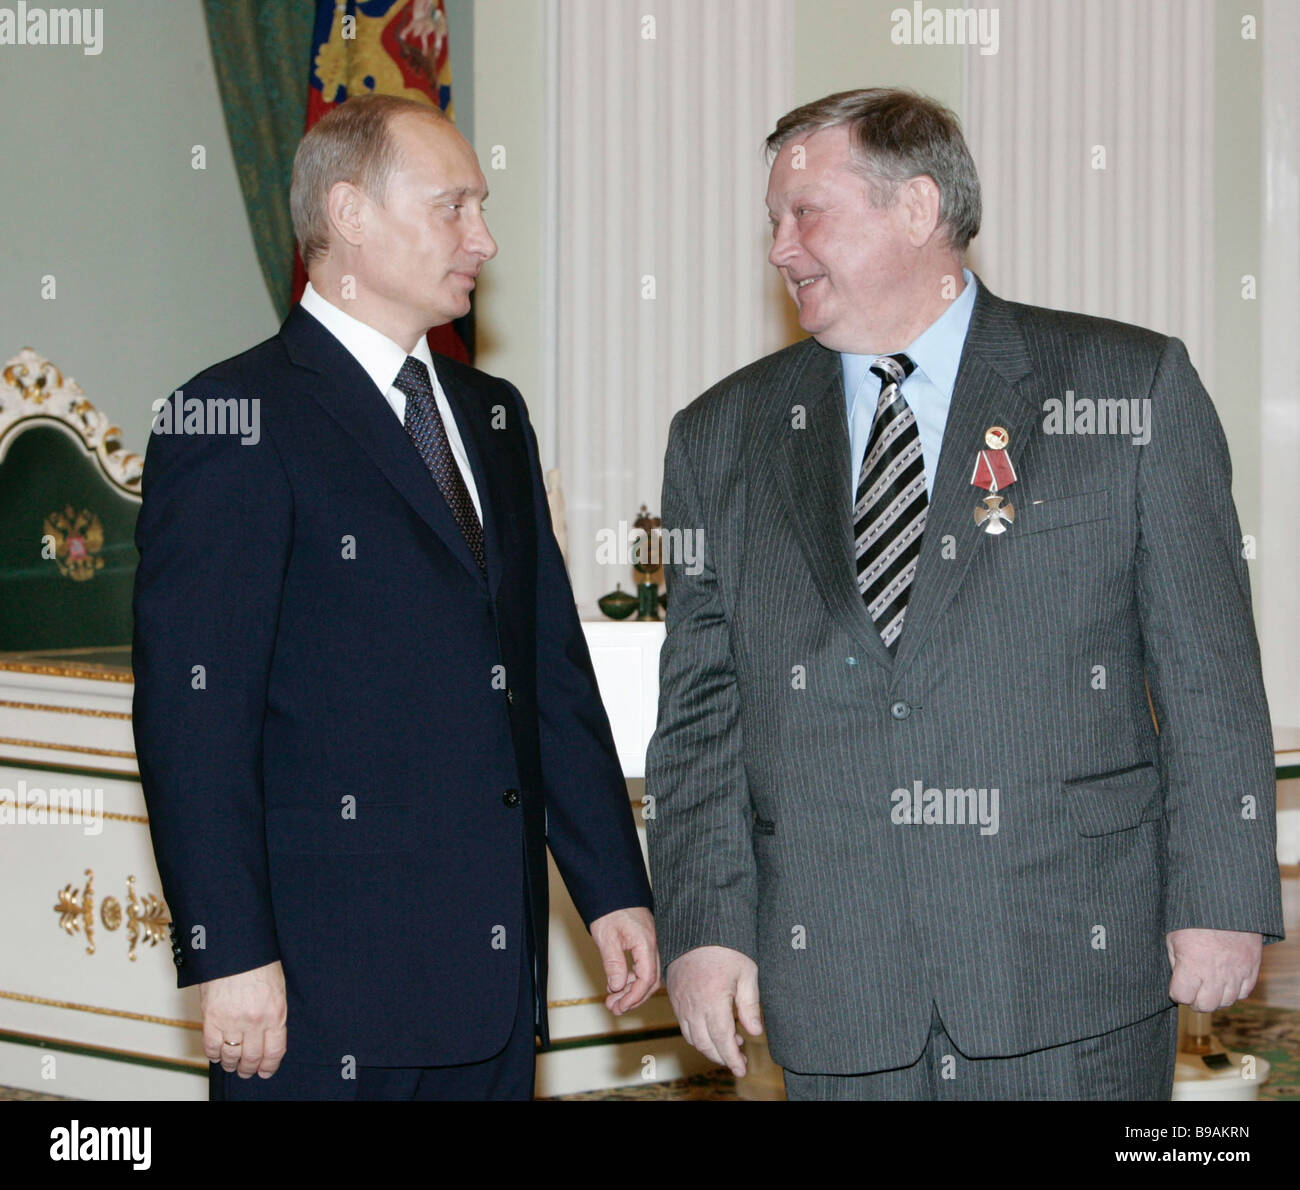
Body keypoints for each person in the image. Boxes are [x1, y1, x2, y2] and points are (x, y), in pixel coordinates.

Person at [645, 87, 1283, 1101]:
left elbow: (1208, 669)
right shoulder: (721, 436)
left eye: (805, 212)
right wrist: (704, 930)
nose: (779, 247)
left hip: (1069, 972)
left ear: (916, 209)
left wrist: (1219, 894)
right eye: (773, 219)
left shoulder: (1126, 388)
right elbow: (698, 722)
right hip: (839, 993)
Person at [133, 94, 658, 1101]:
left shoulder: (491, 414)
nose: (484, 238)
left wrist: (609, 887)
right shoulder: (231, 417)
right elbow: (193, 715)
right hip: (320, 993)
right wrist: (229, 952)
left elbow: (548, 671)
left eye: (483, 207)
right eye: (453, 206)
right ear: (350, 214)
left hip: (493, 987)